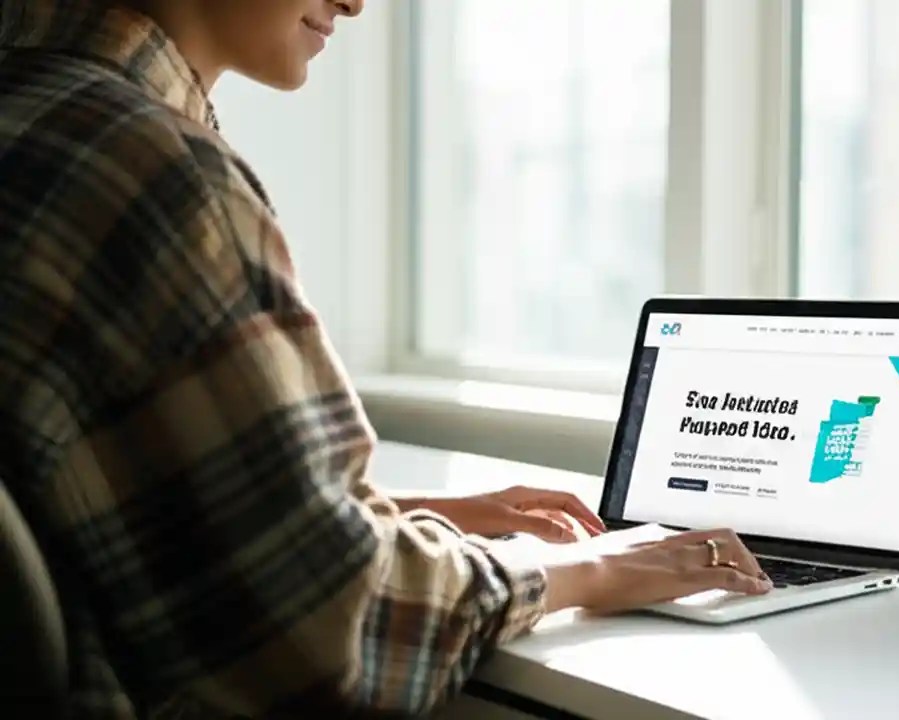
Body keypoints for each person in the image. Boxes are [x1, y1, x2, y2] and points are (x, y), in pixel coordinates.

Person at [0, 0, 772, 717]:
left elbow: (109, 510)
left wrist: (386, 517)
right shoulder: (151, 174)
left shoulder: (33, 118)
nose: (357, 1)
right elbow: (326, 631)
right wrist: (583, 572)